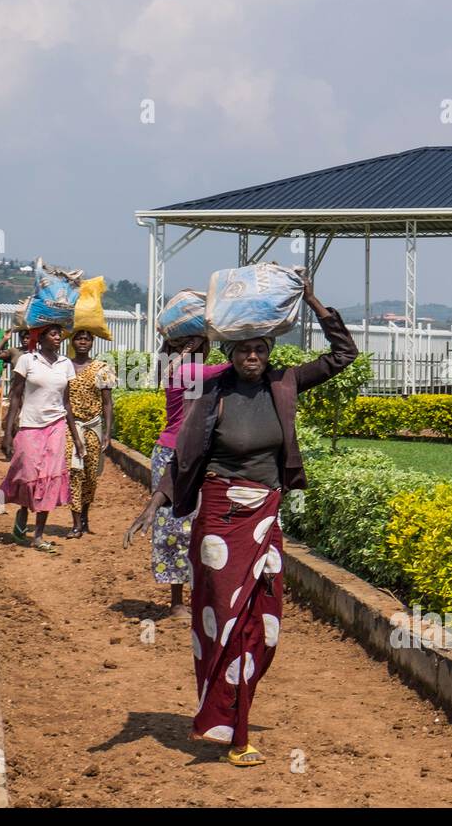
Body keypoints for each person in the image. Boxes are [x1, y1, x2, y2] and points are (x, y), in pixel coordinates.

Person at [124, 278, 357, 767]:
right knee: (228, 623)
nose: (252, 356)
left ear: (270, 349)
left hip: (264, 516)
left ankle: (230, 711)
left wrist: (313, 300)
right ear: (229, 352)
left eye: (259, 348)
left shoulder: (285, 382)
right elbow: (185, 455)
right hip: (219, 517)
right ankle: (234, 730)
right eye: (243, 349)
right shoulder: (211, 392)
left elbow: (343, 355)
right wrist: (157, 501)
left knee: (263, 627)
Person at [145, 334, 229, 617]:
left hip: (174, 451)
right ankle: (179, 602)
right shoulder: (190, 370)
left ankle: (183, 598)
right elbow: (233, 367)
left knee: (180, 526)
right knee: (178, 528)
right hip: (176, 455)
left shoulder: (173, 368)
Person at [0, 324, 83, 553]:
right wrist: (7, 432)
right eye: (53, 334)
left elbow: (66, 403)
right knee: (27, 474)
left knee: (49, 478)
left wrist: (75, 437)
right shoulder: (28, 360)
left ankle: (38, 535)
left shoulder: (65, 364)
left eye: (59, 334)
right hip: (29, 425)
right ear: (41, 337)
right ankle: (23, 512)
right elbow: (16, 396)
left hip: (56, 426)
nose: (58, 338)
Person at [63, 329, 116, 538]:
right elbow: (64, 400)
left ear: (92, 343)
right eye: (79, 338)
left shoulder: (102, 368)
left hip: (93, 427)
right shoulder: (65, 366)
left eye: (86, 339)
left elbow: (107, 403)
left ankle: (84, 515)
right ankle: (75, 523)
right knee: (74, 472)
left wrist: (107, 432)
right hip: (72, 425)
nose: (82, 342)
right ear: (73, 342)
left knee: (90, 476)